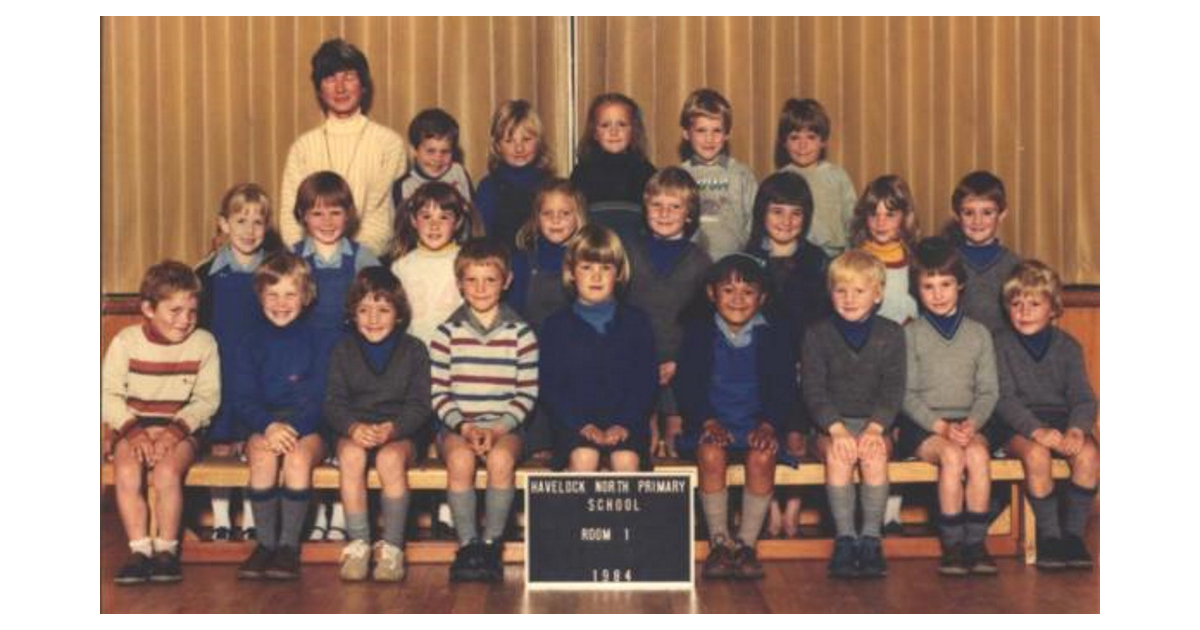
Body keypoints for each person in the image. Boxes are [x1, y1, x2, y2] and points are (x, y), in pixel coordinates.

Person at [674, 254, 797, 580]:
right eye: (728, 291)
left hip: (757, 425)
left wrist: (768, 425)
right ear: (711, 293)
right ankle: (719, 542)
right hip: (710, 423)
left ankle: (745, 545)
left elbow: (784, 389)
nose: (738, 299)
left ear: (762, 297)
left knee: (763, 456)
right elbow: (687, 386)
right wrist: (706, 421)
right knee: (710, 453)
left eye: (748, 292)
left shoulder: (774, 336)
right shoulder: (699, 334)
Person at [103, 261, 220, 584]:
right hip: (134, 428)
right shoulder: (126, 342)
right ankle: (140, 550)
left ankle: (167, 550)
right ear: (148, 309)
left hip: (180, 429)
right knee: (127, 472)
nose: (185, 320)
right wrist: (134, 432)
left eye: (192, 311)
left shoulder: (204, 343)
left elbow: (207, 399)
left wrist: (173, 433)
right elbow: (107, 395)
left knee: (167, 472)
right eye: (175, 311)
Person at [431, 238, 539, 582]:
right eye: (472, 280)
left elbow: (526, 393)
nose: (480, 288)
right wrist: (464, 427)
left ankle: (492, 544)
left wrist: (498, 429)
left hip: (505, 427)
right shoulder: (446, 333)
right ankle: (468, 545)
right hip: (458, 427)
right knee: (460, 460)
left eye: (490, 279)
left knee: (501, 460)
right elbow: (439, 393)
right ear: (459, 283)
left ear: (506, 281)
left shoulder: (521, 333)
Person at [801, 251, 905, 578]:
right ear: (830, 293)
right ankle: (845, 539)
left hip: (876, 424)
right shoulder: (817, 334)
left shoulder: (891, 334)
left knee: (874, 455)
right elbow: (813, 391)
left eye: (859, 291)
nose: (849, 299)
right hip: (830, 426)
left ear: (878, 294)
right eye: (841, 290)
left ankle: (871, 540)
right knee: (839, 455)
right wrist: (835, 430)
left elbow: (893, 391)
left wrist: (875, 430)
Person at [899, 237, 999, 576]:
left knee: (978, 455)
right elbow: (907, 395)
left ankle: (976, 543)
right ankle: (953, 545)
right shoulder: (911, 335)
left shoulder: (979, 334)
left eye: (946, 284)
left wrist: (972, 424)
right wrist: (941, 427)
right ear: (917, 290)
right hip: (925, 425)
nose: (938, 294)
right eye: (928, 286)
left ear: (960, 285)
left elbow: (988, 392)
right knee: (953, 457)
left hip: (969, 422)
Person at [990, 260, 1099, 570]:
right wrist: (1036, 430)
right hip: (1017, 425)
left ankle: (1073, 537)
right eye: (1016, 304)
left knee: (1089, 455)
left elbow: (1083, 397)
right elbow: (1004, 399)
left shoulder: (1068, 347)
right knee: (1037, 455)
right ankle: (1049, 536)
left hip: (1061, 421)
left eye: (1034, 304)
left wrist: (1077, 429)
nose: (1024, 311)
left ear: (1053, 308)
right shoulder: (999, 345)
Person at [291, 170, 381, 541]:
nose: (327, 222)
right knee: (312, 434)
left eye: (335, 212)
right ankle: (316, 513)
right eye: (317, 213)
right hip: (306, 360)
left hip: (349, 360)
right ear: (302, 216)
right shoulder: (292, 258)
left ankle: (343, 513)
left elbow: (377, 311)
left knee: (345, 437)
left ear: (349, 215)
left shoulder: (363, 257)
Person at [326, 268, 432, 582]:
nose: (373, 319)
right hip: (354, 429)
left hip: (401, 431)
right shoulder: (343, 349)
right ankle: (359, 543)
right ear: (352, 313)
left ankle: (393, 548)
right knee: (351, 456)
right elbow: (333, 402)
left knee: (389, 459)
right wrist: (352, 428)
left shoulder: (414, 350)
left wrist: (393, 429)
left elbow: (420, 405)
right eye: (364, 310)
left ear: (398, 315)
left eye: (383, 310)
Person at [232, 253, 327, 580]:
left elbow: (321, 398)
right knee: (262, 456)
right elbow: (242, 398)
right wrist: (269, 426)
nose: (281, 303)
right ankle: (265, 544)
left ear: (306, 296)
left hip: (308, 427)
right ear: (260, 296)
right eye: (272, 295)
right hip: (265, 423)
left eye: (290, 294)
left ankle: (288, 547)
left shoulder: (319, 340)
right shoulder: (250, 342)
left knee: (297, 459)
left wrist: (294, 428)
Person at [196, 182, 282, 542]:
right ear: (223, 224)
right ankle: (220, 519)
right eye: (240, 221)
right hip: (221, 373)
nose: (249, 230)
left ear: (267, 226)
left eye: (258, 222)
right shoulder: (205, 275)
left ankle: (250, 518)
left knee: (253, 446)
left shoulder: (276, 272)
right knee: (221, 446)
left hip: (260, 375)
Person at [539, 225, 658, 473]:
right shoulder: (555, 325)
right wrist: (580, 424)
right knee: (585, 457)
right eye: (586, 268)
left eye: (605, 268)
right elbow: (551, 386)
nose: (596, 277)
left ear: (619, 273)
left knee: (625, 460)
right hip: (574, 425)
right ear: (571, 272)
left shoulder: (637, 322)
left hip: (627, 424)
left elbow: (645, 382)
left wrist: (624, 423)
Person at [279, 38, 405, 256]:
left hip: (367, 262)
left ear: (363, 85)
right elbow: (291, 219)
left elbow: (382, 218)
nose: (340, 88)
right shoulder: (303, 147)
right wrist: (310, 259)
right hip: (309, 262)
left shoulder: (389, 143)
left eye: (349, 77)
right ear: (319, 90)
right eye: (330, 78)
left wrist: (353, 260)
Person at [625, 167, 712, 457]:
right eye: (657, 205)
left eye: (674, 207)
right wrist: (644, 360)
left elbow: (702, 322)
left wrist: (678, 361)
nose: (664, 213)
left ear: (689, 214)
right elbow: (620, 312)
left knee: (678, 440)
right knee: (642, 441)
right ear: (645, 208)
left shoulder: (700, 261)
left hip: (681, 362)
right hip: (637, 358)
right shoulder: (628, 254)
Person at [506, 178, 589, 458]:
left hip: (576, 361)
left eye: (565, 213)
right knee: (538, 449)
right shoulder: (523, 261)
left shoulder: (587, 260)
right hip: (533, 363)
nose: (556, 220)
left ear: (579, 217)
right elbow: (512, 316)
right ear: (536, 218)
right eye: (547, 213)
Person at [388, 181, 479, 346]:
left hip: (457, 349)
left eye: (444, 217)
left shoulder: (467, 261)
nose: (434, 225)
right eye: (426, 216)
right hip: (415, 352)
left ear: (457, 222)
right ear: (414, 220)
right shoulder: (401, 266)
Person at [678, 88, 758, 261]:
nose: (709, 139)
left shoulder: (741, 174)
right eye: (701, 131)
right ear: (686, 133)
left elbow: (755, 221)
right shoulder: (679, 176)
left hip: (734, 260)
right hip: (691, 261)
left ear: (727, 134)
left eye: (717, 131)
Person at [774, 98, 857, 258]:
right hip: (794, 257)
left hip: (835, 256)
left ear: (823, 141)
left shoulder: (837, 176)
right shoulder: (779, 180)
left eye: (811, 137)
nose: (803, 145)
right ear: (784, 141)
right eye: (795, 137)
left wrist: (850, 255)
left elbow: (852, 221)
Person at [570, 92, 656, 242]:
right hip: (594, 246)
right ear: (594, 133)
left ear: (633, 131)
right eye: (605, 125)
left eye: (621, 124)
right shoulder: (582, 173)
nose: (614, 132)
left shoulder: (646, 172)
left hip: (636, 246)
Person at [944, 170, 1021, 332]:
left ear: (1002, 214)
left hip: (1001, 346)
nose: (977, 221)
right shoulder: (946, 263)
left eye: (987, 213)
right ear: (957, 215)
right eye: (968, 213)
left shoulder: (1015, 266)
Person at [475, 99, 554, 249]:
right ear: (497, 146)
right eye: (509, 141)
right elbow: (481, 239)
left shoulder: (551, 187)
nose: (519, 149)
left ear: (539, 142)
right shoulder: (488, 188)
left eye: (526, 139)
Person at [851, 174, 920, 325]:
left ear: (905, 216)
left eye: (890, 215)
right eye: (873, 214)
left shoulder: (913, 256)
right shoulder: (856, 260)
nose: (880, 223)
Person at [393, 107, 474, 204]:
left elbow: (471, 209)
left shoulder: (458, 173)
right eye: (430, 151)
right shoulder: (405, 185)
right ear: (414, 150)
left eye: (445, 151)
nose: (437, 158)